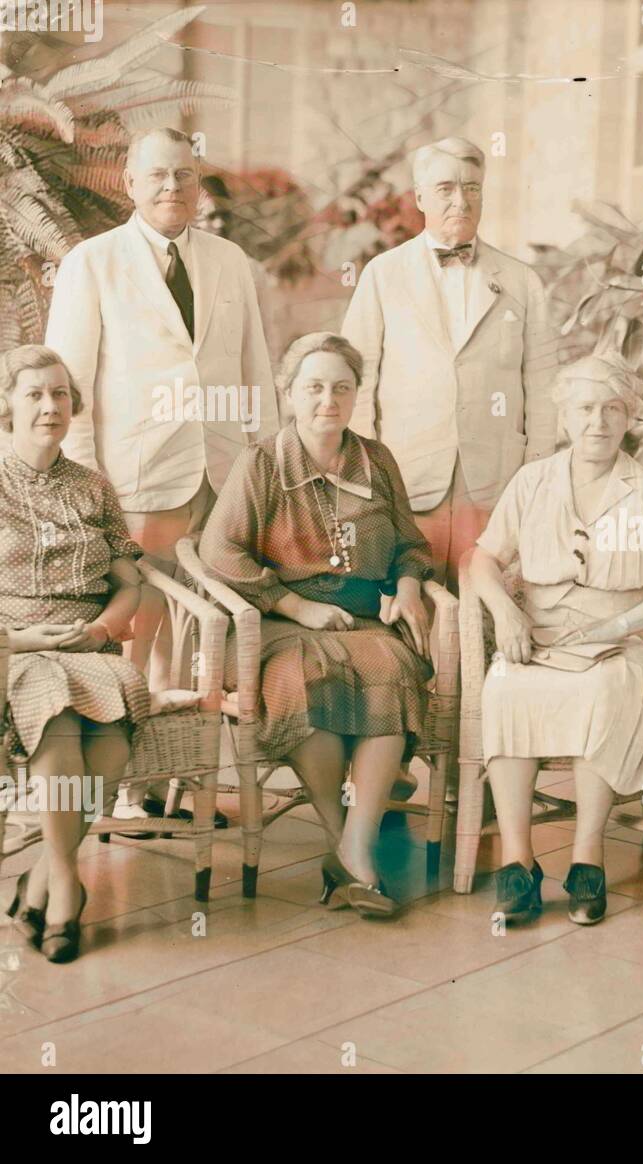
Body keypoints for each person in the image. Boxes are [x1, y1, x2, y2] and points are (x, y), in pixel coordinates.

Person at [44, 126, 278, 830]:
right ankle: (126, 784)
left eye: (183, 174)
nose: (171, 187)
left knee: (199, 630)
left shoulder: (230, 261)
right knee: (137, 629)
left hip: (219, 473)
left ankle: (186, 778)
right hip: (133, 479)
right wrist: (89, 487)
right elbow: (70, 383)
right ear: (129, 182)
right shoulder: (93, 263)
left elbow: (254, 368)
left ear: (198, 182)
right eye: (157, 175)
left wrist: (258, 463)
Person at [197, 333, 436, 917]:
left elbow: (410, 544)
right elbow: (217, 553)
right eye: (314, 387)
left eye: (341, 387)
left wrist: (407, 587)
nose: (328, 399)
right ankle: (347, 843)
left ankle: (352, 850)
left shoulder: (376, 461)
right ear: (289, 395)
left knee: (394, 666)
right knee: (304, 678)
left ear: (357, 395)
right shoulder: (262, 464)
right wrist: (294, 606)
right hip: (280, 623)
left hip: (361, 621)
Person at [468, 354, 643, 926]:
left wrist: (620, 627)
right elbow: (482, 558)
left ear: (629, 419)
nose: (598, 421)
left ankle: (586, 855)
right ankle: (520, 862)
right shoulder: (533, 480)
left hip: (628, 641)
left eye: (612, 409)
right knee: (503, 689)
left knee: (603, 688)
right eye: (585, 409)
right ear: (565, 417)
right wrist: (504, 611)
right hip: (543, 635)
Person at [342, 135, 559, 594]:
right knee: (407, 607)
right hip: (405, 478)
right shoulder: (383, 273)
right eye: (445, 188)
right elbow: (356, 380)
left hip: (495, 483)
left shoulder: (522, 280)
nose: (461, 200)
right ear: (419, 196)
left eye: (472, 188)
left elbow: (543, 387)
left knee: (483, 610)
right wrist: (367, 473)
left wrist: (536, 477)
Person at [0, 346, 150, 964]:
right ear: (7, 402)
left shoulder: (92, 487)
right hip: (14, 647)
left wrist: (105, 631)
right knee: (57, 709)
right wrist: (16, 640)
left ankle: (40, 876)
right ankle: (65, 885)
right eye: (34, 393)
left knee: (115, 721)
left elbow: (130, 582)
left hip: (86, 642)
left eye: (59, 394)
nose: (49, 406)